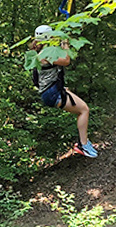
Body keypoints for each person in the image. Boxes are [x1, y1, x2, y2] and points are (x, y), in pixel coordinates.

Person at [31, 24, 97, 158]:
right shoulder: (46, 54)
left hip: (52, 90)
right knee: (84, 110)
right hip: (51, 93)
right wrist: (65, 43)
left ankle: (84, 142)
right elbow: (66, 61)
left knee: (83, 108)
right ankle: (83, 144)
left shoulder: (41, 52)